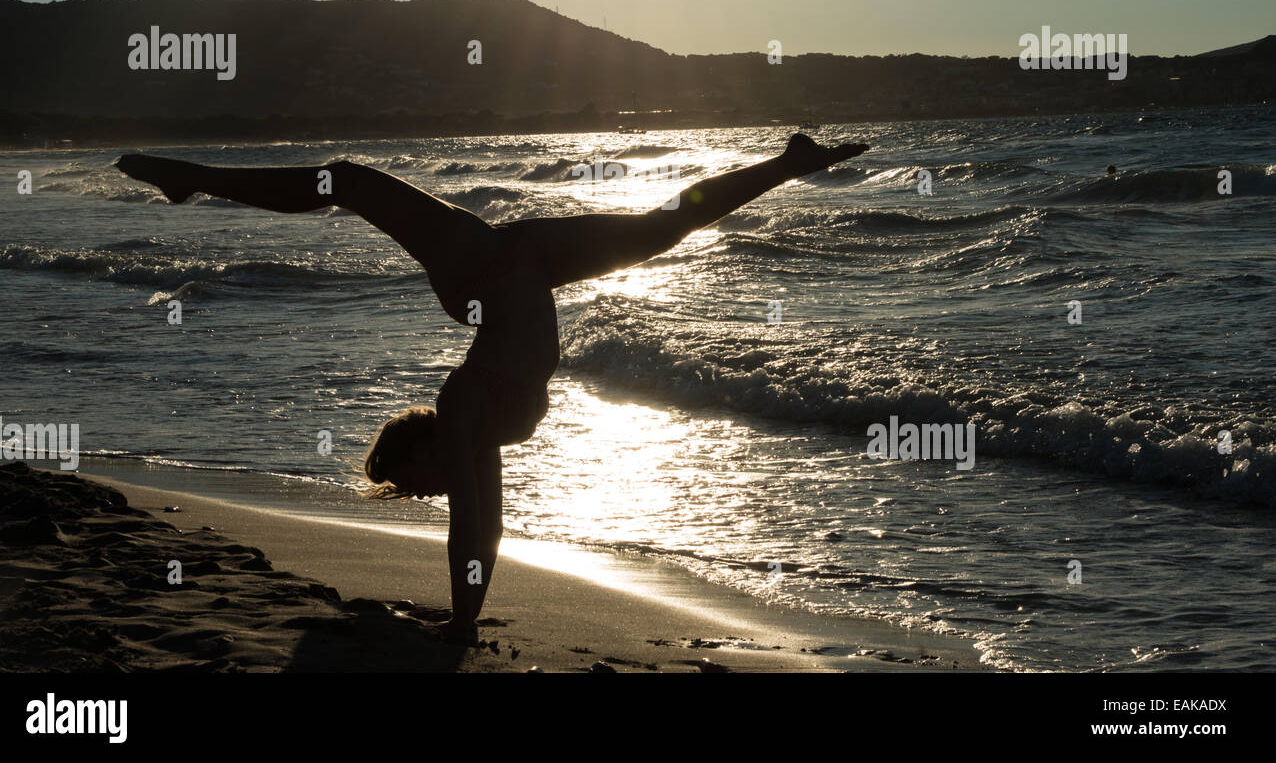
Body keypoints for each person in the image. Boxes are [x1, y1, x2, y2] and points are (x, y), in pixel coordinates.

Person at [116, 132, 867, 641]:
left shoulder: (460, 408)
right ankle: (789, 162)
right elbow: (492, 526)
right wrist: (465, 619)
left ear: (418, 445)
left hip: (484, 267)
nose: (428, 492)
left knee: (344, 180)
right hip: (528, 263)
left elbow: (467, 525)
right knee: (664, 228)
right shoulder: (476, 428)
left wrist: (460, 624)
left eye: (412, 482)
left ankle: (194, 180)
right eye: (416, 494)